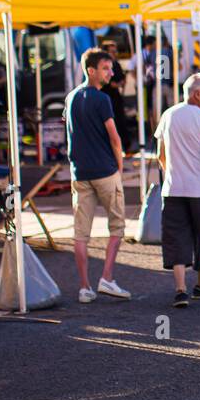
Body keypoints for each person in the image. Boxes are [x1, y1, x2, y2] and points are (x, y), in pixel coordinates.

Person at [154, 73, 200, 307]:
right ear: (197, 94)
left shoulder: (168, 114)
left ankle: (180, 289)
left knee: (176, 237)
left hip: (173, 188)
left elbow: (160, 155)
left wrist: (173, 173)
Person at [64, 48, 131, 303]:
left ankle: (84, 287)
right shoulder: (102, 100)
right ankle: (107, 278)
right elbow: (114, 138)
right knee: (117, 227)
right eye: (106, 68)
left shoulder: (71, 97)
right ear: (91, 70)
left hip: (79, 172)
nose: (111, 72)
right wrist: (119, 166)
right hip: (104, 171)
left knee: (81, 233)